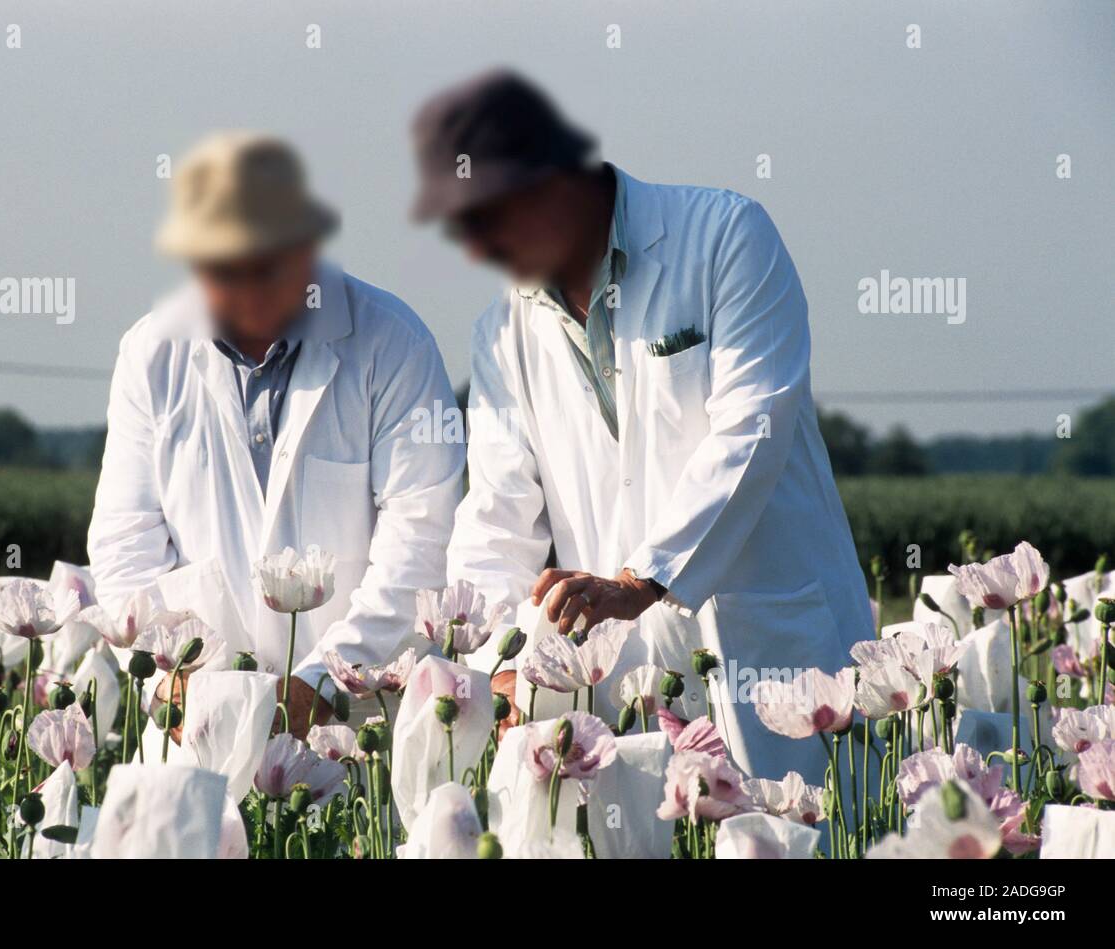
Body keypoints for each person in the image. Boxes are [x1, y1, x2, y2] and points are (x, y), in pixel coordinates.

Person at [413, 70, 872, 779]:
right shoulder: (502, 332)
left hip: (770, 650)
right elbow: (497, 515)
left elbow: (753, 428)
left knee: (806, 832)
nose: (478, 251)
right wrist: (495, 660)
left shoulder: (725, 238)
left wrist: (641, 579)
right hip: (625, 684)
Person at [88, 131, 463, 738]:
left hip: (357, 717)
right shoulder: (151, 353)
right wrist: (171, 674)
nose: (245, 287)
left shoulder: (394, 343)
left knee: (341, 835)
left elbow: (420, 541)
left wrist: (320, 683)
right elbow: (125, 538)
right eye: (223, 267)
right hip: (198, 716)